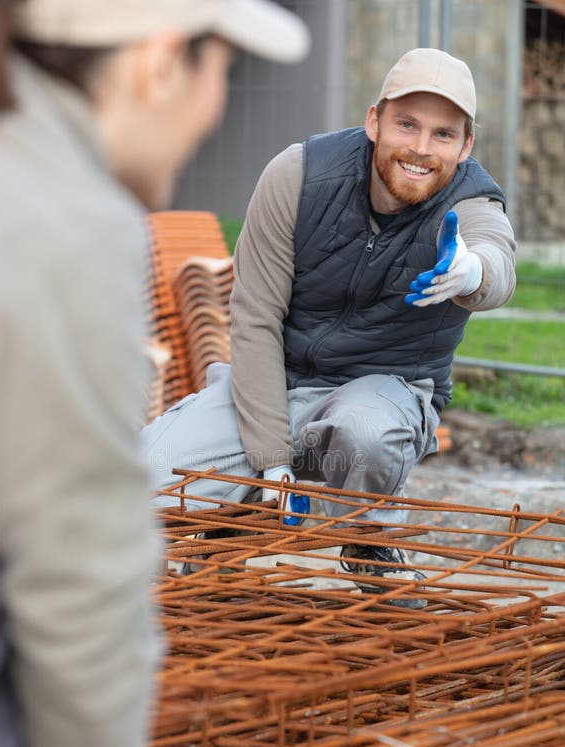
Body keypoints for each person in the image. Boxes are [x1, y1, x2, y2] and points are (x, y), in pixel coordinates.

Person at [0, 2, 309, 747]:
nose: (216, 107)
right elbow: (81, 593)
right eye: (221, 69)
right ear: (160, 63)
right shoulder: (61, 219)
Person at [142, 47, 516, 602]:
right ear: (374, 121)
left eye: (443, 134)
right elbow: (256, 318)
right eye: (406, 124)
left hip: (378, 395)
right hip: (272, 384)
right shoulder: (299, 176)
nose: (420, 147)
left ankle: (369, 543)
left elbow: (498, 259)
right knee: (136, 485)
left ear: (465, 147)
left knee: (366, 433)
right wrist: (270, 461)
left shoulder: (473, 202)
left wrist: (472, 271)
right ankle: (236, 521)